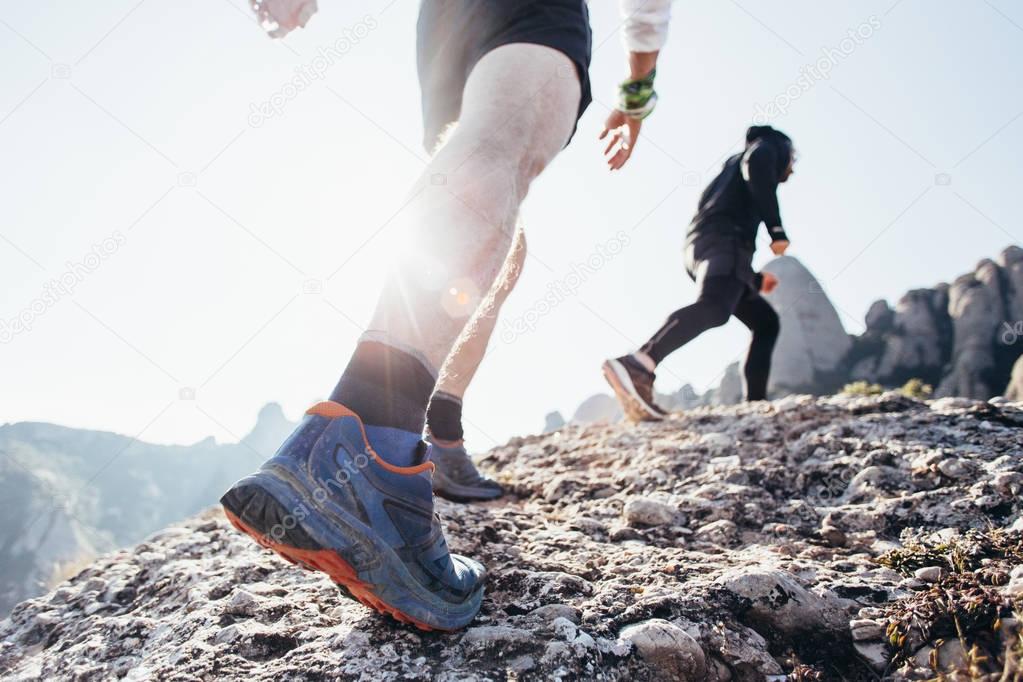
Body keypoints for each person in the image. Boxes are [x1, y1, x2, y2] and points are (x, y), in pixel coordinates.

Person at [223, 0, 675, 631]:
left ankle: (437, 433)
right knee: (498, 152)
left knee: (493, 218)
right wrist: (638, 88)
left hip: (445, 24)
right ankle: (374, 435)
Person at [603, 125, 796, 422]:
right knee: (715, 308)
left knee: (766, 322)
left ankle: (754, 407)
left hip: (709, 248)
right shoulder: (764, 149)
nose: (792, 169)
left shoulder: (728, 173)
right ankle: (639, 362)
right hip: (725, 243)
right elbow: (758, 168)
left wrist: (755, 280)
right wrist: (776, 228)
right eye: (792, 160)